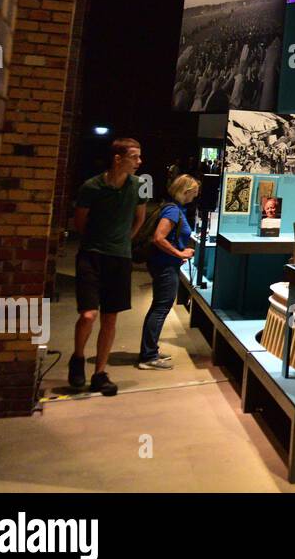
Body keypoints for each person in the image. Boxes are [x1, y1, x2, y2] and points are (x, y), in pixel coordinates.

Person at [71, 137, 147, 395]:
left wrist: (126, 239)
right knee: (88, 314)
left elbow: (140, 217)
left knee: (110, 318)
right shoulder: (91, 187)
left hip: (119, 257)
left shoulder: (138, 186)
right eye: (134, 157)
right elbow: (80, 222)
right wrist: (96, 241)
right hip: (91, 254)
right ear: (118, 158)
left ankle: (100, 372)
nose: (139, 162)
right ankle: (78, 357)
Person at [138, 175, 199, 370]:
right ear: (187, 191)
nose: (196, 196)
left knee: (159, 306)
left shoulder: (173, 208)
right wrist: (179, 252)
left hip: (164, 263)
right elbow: (159, 238)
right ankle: (148, 356)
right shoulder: (173, 211)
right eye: (194, 192)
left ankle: (149, 350)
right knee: (161, 307)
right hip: (164, 265)